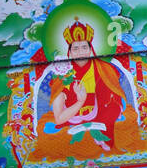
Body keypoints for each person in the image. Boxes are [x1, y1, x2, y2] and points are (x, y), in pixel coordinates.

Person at [46, 20, 129, 153]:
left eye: (84, 47)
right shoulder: (62, 74)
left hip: (100, 110)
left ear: (91, 49)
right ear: (70, 52)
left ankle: (106, 140)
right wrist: (80, 101)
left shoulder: (103, 68)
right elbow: (59, 117)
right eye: (76, 48)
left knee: (113, 108)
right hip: (72, 114)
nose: (80, 52)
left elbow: (113, 94)